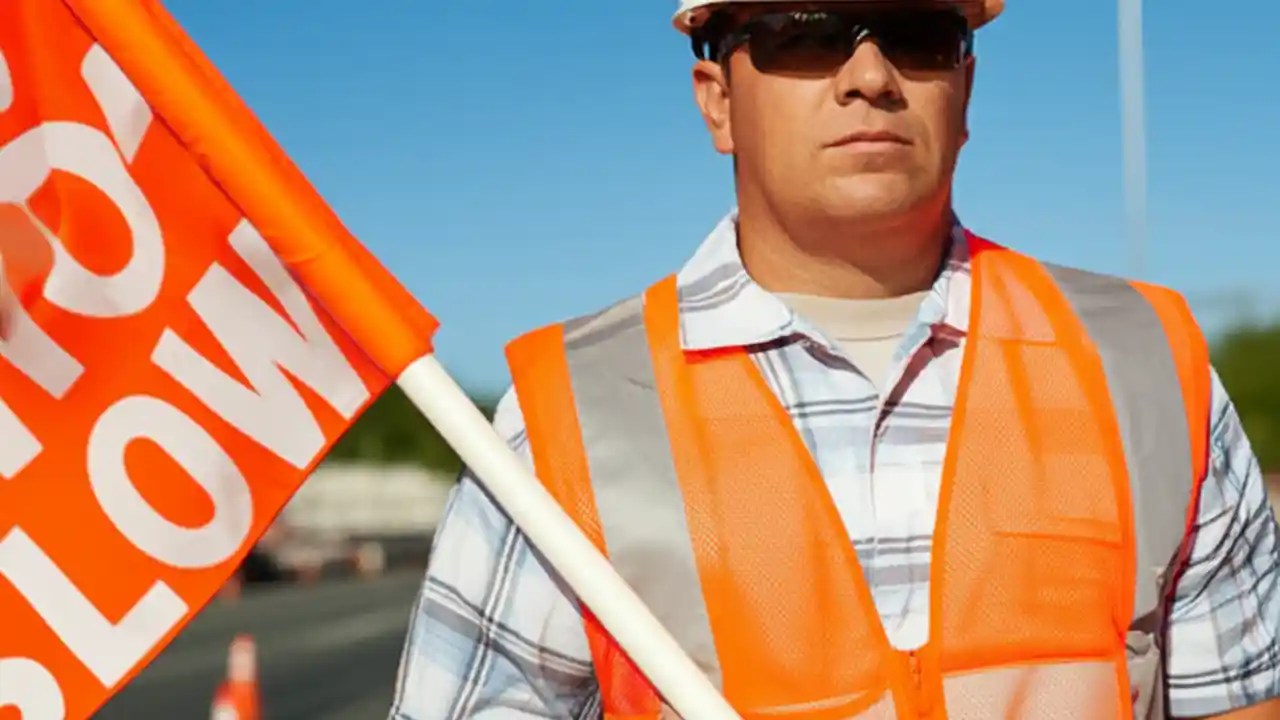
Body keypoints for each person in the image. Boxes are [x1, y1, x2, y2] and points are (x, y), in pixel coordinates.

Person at [387, 1, 1280, 718]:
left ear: (966, 88)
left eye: (919, 35)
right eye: (806, 34)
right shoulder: (569, 420)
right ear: (717, 101)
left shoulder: (1144, 368)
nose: (871, 77)